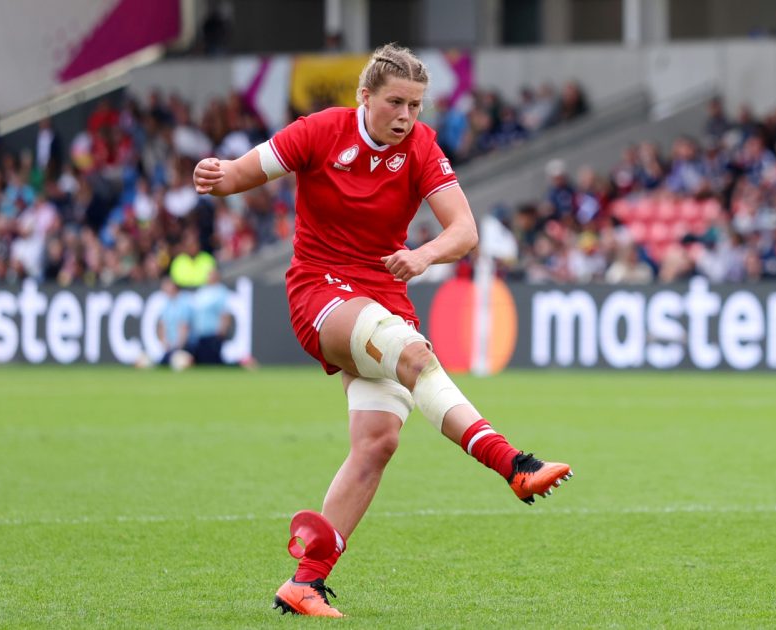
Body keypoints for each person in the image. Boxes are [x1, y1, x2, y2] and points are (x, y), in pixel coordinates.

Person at [192, 43, 572, 618]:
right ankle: (513, 464)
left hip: (385, 295)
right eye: (395, 102)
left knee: (377, 444)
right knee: (414, 356)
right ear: (363, 97)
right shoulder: (320, 131)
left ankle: (304, 584)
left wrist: (422, 257)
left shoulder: (420, 147)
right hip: (320, 292)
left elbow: (463, 231)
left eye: (416, 105)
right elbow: (242, 174)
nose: (406, 116)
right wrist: (217, 177)